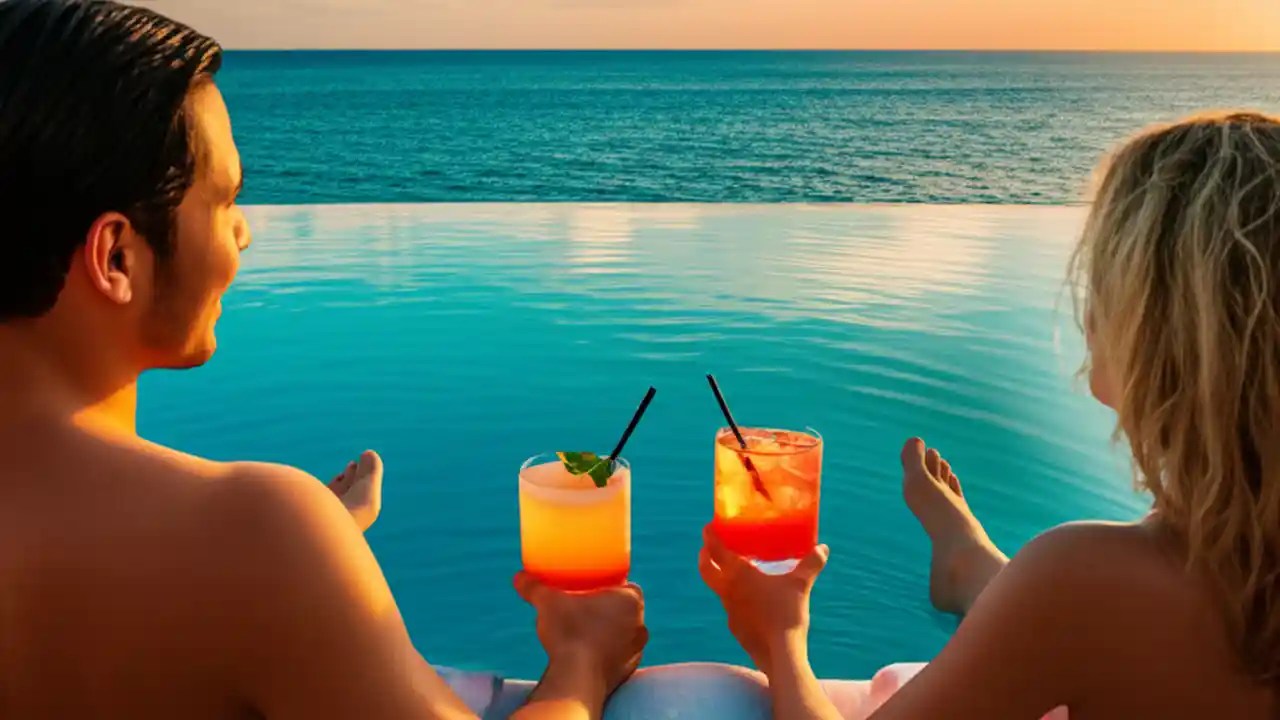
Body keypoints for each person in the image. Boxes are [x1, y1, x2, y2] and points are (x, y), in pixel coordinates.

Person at [0, 1, 646, 717]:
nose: (242, 236)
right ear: (117, 256)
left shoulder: (239, 543)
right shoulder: (252, 533)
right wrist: (582, 664)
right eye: (225, 202)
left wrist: (313, 550)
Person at [701, 112, 1280, 719]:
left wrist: (778, 637)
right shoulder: (1134, 586)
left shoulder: (1082, 580)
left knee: (1066, 604)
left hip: (1075, 604)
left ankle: (980, 575)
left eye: (1106, 280)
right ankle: (974, 569)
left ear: (1155, 336)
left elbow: (1095, 610)